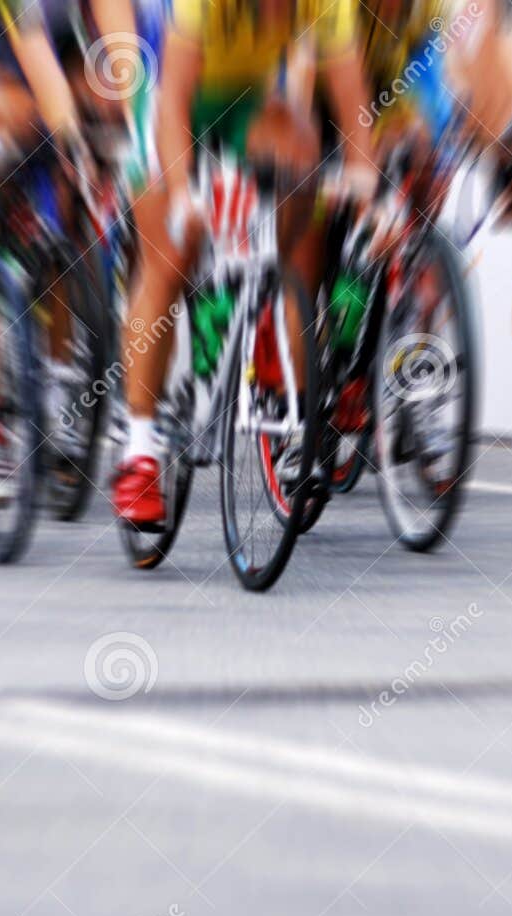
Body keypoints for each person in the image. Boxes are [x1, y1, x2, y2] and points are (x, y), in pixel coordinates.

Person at [111, 0, 377, 530]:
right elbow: (174, 104)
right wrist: (185, 193)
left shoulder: (330, 6)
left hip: (249, 101)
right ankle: (139, 451)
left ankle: (263, 302)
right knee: (168, 256)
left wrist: (369, 187)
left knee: (301, 149)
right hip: (172, 101)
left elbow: (352, 108)